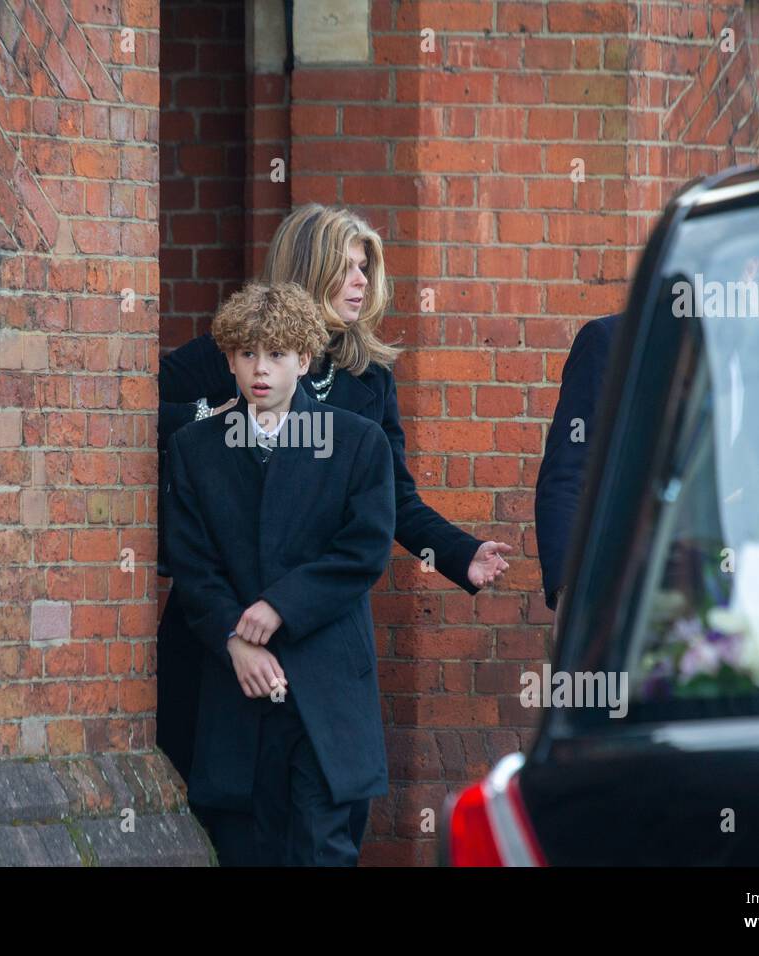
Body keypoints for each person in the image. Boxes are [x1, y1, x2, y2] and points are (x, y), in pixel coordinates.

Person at [157, 203, 512, 860]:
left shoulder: (366, 379)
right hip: (220, 635)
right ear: (308, 268)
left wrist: (458, 554)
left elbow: (389, 505)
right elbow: (128, 396)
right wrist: (217, 412)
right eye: (345, 267)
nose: (359, 282)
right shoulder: (234, 350)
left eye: (364, 268)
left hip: (313, 635)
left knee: (322, 828)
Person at [164, 282, 396, 866]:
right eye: (246, 354)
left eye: (275, 354)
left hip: (326, 684)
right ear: (229, 360)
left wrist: (279, 607)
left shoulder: (355, 441)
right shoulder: (196, 447)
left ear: (304, 359)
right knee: (243, 848)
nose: (259, 369)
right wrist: (234, 640)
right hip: (235, 690)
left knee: (321, 849)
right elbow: (193, 565)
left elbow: (364, 549)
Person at [534, 313, 621, 634]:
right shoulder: (609, 340)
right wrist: (568, 590)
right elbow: (567, 474)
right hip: (634, 590)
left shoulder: (757, 350)